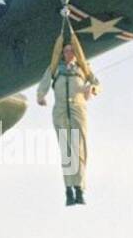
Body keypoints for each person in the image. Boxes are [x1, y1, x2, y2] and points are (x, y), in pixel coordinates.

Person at [37, 32, 97, 206]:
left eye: (71, 51)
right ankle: (69, 189)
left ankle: (79, 188)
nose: (68, 54)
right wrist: (41, 95)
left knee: (79, 149)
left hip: (78, 109)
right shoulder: (55, 69)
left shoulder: (83, 69)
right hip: (61, 110)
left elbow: (96, 83)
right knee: (67, 151)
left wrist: (91, 89)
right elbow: (44, 82)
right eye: (65, 52)